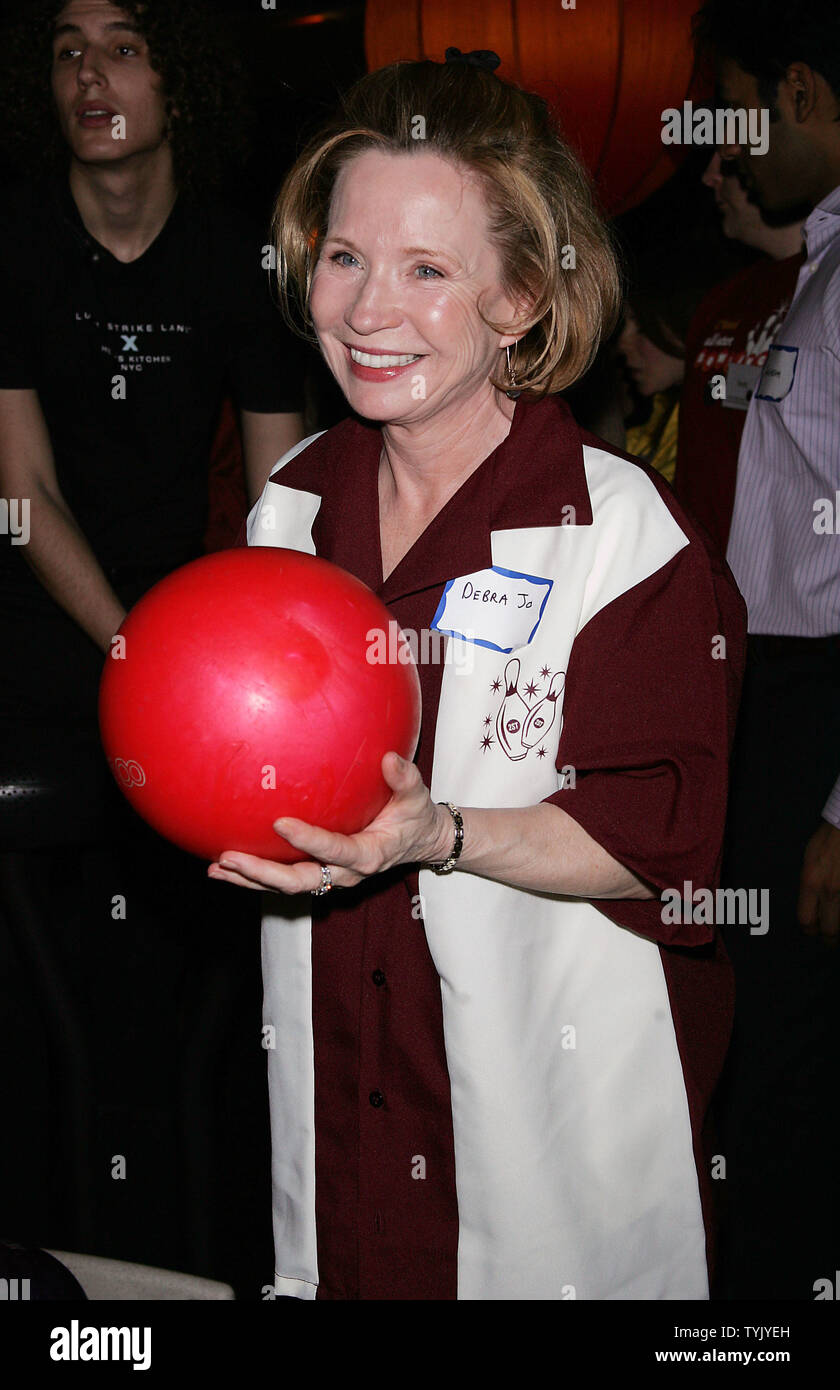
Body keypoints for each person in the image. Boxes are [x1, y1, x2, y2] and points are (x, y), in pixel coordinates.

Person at [209, 48, 746, 1301]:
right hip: (340, 1107)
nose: (365, 309)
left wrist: (435, 833)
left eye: (428, 269)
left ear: (520, 301)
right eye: (345, 256)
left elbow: (665, 830)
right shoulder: (287, 515)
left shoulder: (620, 533)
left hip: (548, 1156)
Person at [0, 0, 305, 734]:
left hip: (181, 605)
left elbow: (280, 494)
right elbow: (24, 495)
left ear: (182, 87)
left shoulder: (242, 259)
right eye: (67, 52)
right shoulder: (14, 244)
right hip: (29, 610)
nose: (88, 74)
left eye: (124, 50)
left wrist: (266, 640)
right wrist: (133, 645)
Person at [693, 0, 840, 1299]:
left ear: (797, 89)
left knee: (789, 1065)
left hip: (818, 707)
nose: (719, 152)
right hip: (782, 698)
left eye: (732, 110)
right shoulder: (821, 266)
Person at [674, 151, 805, 554]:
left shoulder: (825, 288)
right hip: (706, 567)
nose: (710, 176)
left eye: (729, 162)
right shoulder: (723, 299)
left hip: (797, 579)